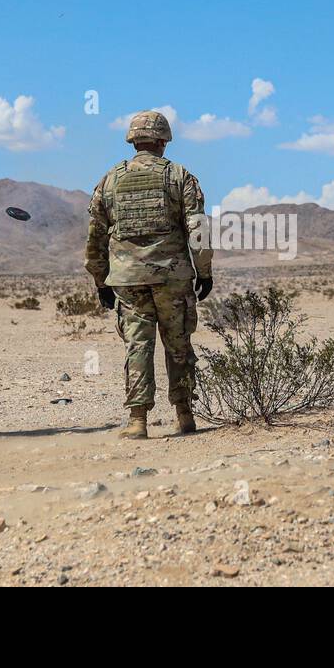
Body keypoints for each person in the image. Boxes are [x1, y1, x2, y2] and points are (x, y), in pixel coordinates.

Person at [85, 110, 213, 439]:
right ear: (162, 141)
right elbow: (198, 229)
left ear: (134, 141)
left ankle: (137, 421)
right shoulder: (178, 175)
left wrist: (100, 279)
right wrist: (204, 271)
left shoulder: (110, 179)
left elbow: (95, 234)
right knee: (179, 345)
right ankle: (185, 416)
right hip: (172, 277)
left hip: (128, 280)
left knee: (137, 347)